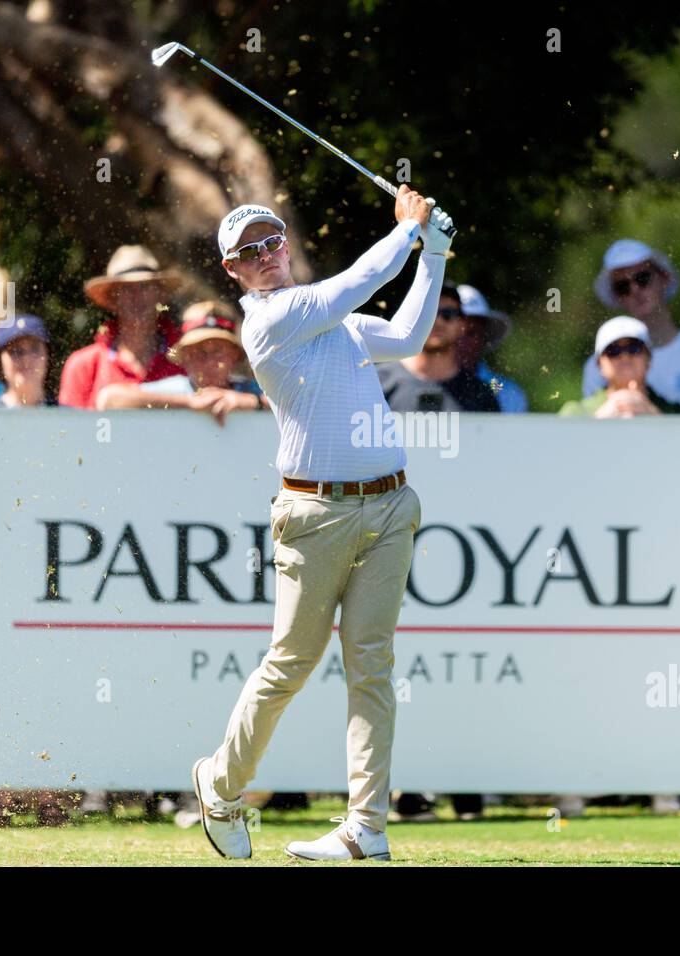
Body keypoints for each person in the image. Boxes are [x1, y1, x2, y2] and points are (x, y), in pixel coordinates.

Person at [190, 187, 453, 862]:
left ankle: (367, 827)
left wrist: (436, 253)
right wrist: (408, 232)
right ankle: (221, 785)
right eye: (249, 252)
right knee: (292, 662)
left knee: (372, 665)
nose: (266, 256)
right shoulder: (270, 321)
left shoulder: (336, 322)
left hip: (391, 505)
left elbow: (409, 336)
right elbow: (357, 282)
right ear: (233, 270)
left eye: (271, 241)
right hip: (314, 514)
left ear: (286, 243)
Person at [582, 240, 680, 412]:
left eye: (642, 278)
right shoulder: (597, 366)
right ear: (616, 296)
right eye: (623, 286)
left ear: (664, 277)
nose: (634, 290)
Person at [94, 301, 268, 426]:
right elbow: (108, 399)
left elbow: (294, 404)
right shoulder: (176, 390)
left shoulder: (252, 390)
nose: (209, 361)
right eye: (199, 351)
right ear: (185, 357)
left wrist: (251, 402)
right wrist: (190, 403)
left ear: (234, 355)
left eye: (218, 351)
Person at [58, 245, 184, 408]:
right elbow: (70, 431)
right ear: (112, 299)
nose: (137, 297)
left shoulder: (189, 356)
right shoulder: (84, 365)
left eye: (145, 287)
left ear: (160, 294)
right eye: (126, 289)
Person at [376, 283, 500, 413]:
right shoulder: (375, 383)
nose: (438, 321)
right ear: (411, 318)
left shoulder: (481, 396)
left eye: (448, 314)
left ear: (462, 325)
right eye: (428, 312)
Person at [561, 316, 680, 418]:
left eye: (634, 348)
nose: (624, 356)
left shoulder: (676, 412)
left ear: (649, 359)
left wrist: (654, 416)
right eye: (613, 350)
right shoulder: (574, 412)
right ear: (599, 365)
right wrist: (600, 420)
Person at [456, 284, 527, 413]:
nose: (461, 342)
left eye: (471, 333)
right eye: (456, 332)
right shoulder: (418, 385)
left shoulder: (509, 395)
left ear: (484, 337)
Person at [0, 314, 57, 407]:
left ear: (48, 357)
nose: (26, 359)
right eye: (16, 351)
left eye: (35, 350)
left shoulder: (70, 418)